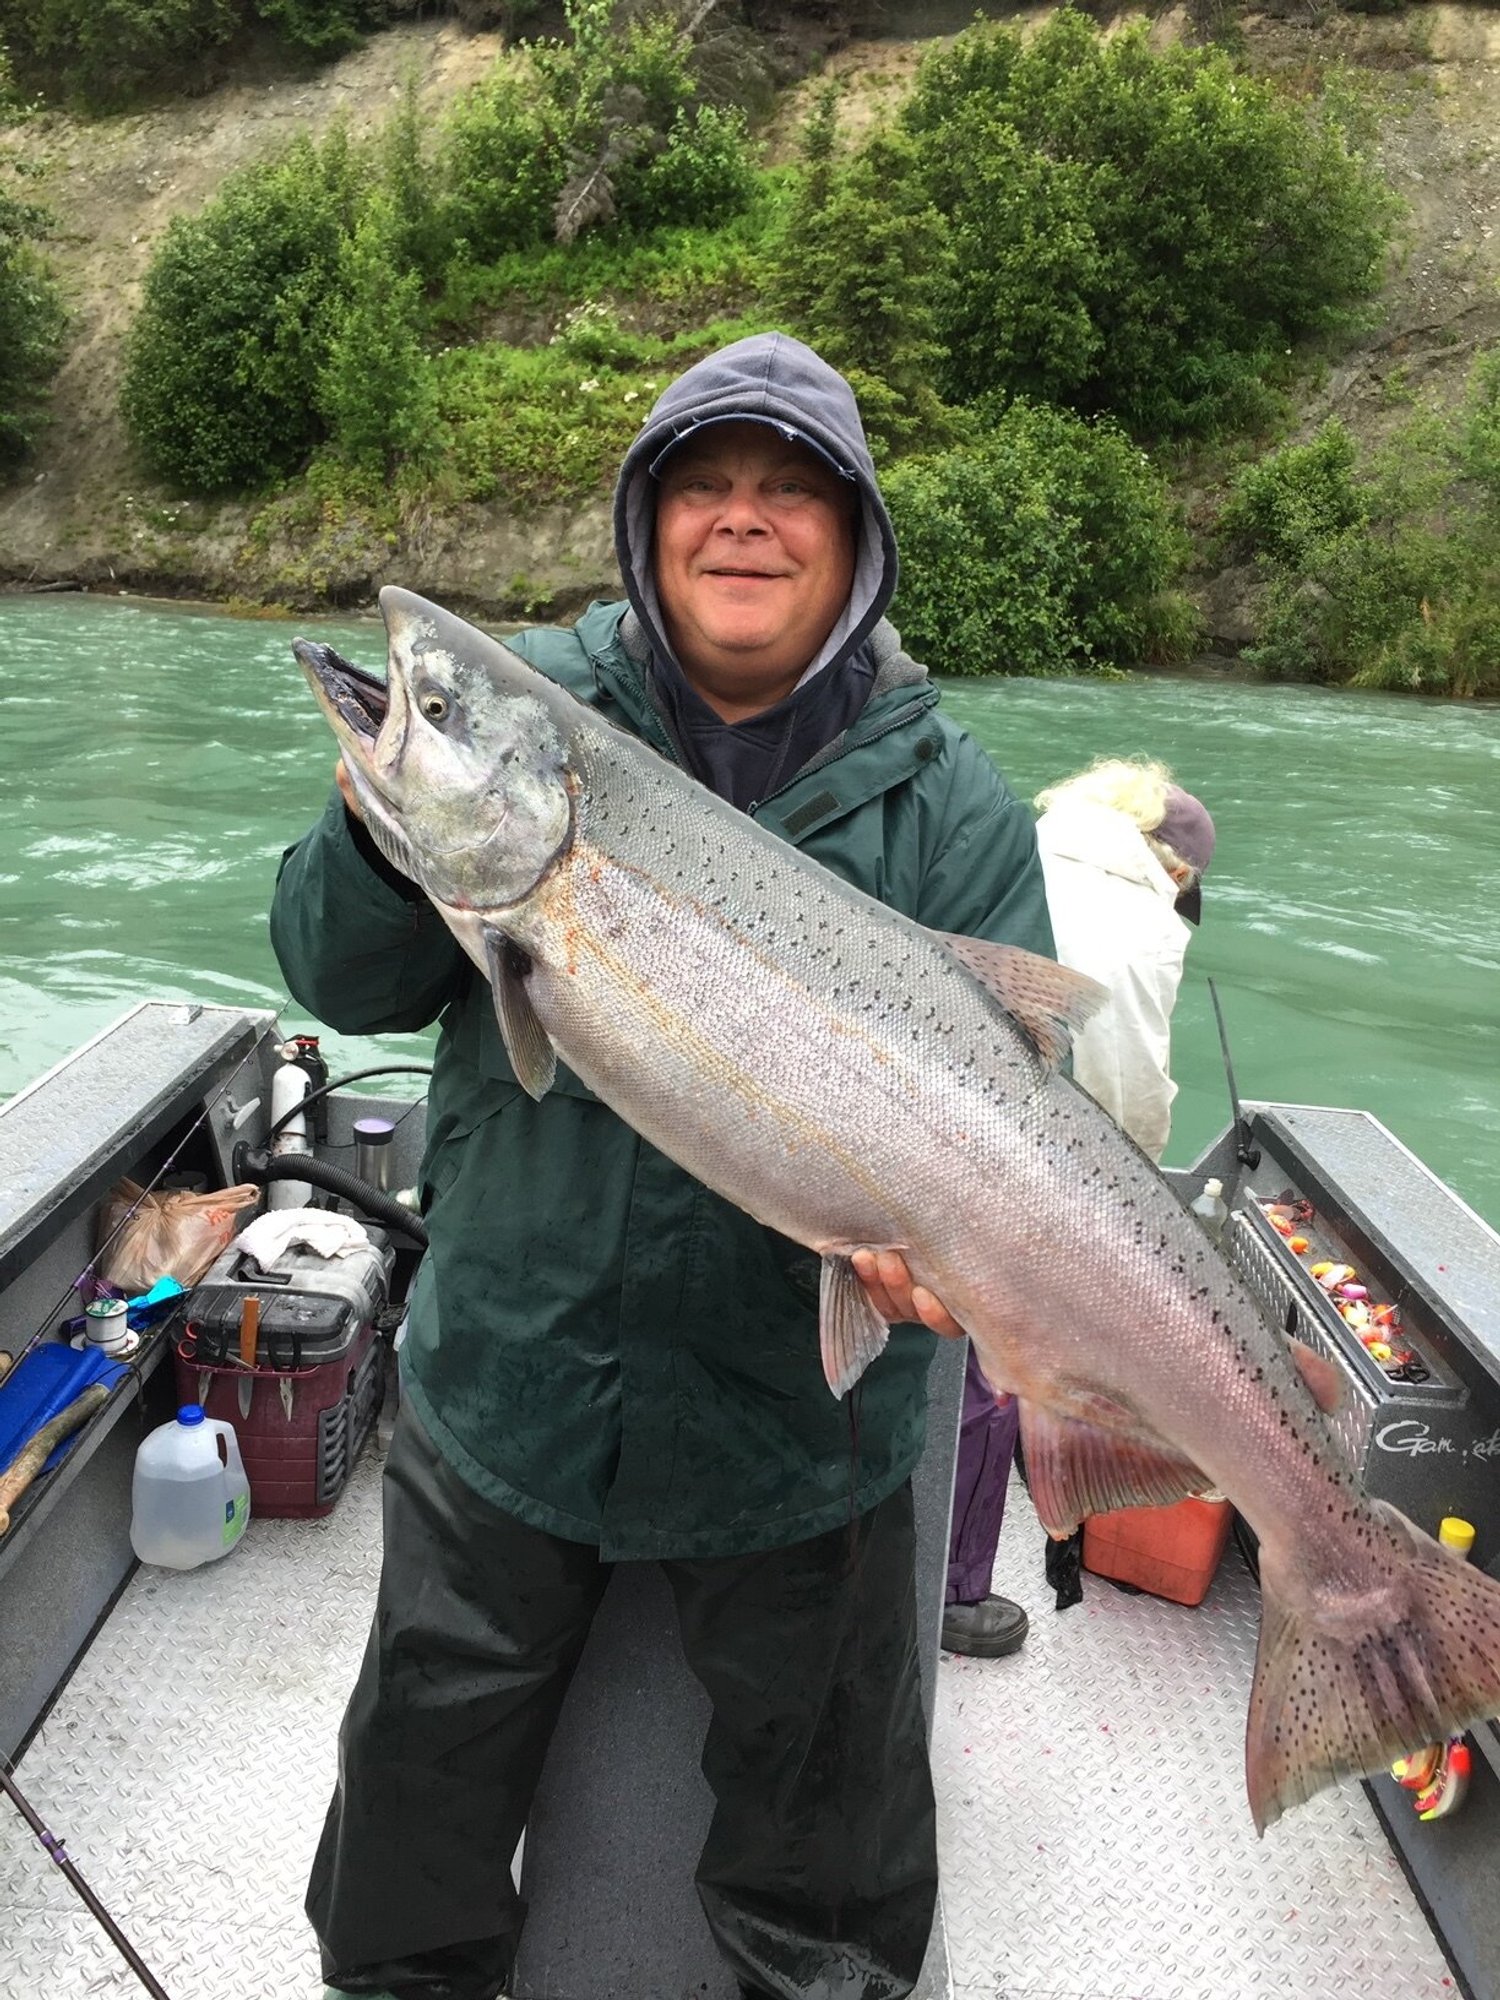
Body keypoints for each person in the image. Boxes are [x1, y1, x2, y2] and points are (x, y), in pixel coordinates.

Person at [270, 331, 1054, 2000]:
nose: (742, 519)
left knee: (828, 1870)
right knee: (411, 1821)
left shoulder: (951, 804)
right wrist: (382, 818)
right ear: (646, 523)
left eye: (789, 491)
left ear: (854, 541)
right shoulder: (526, 715)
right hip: (513, 1379)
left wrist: (945, 1267)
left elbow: (1026, 1102)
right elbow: (335, 979)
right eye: (703, 485)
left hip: (804, 1431)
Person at [939, 759, 1215, 1657]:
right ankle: (953, 1590)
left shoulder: (1008, 842)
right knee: (992, 1374)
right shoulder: (1147, 922)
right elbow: (1131, 1092)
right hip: (1031, 1176)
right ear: (1176, 869)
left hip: (933, 1127)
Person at [1034, 757, 1215, 1163]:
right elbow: (1129, 1084)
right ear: (1177, 875)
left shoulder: (1018, 848)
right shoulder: (1152, 928)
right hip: (1046, 1142)